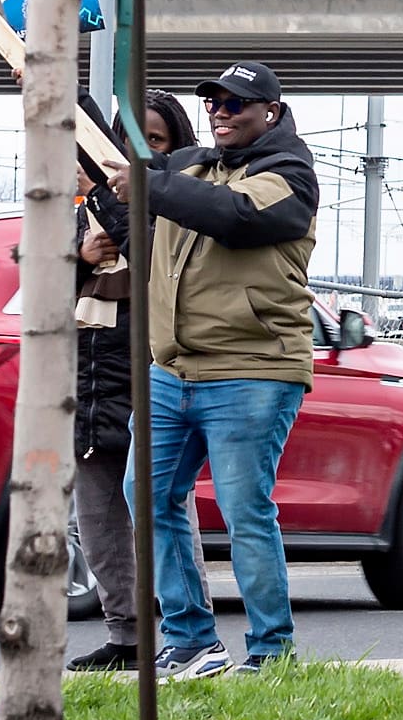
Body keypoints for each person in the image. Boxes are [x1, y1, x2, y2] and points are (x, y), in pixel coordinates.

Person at [132, 60, 321, 679]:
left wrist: (146, 180)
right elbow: (118, 162)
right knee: (148, 494)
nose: (220, 111)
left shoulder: (290, 176)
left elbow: (232, 216)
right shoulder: (191, 165)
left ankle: (271, 652)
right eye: (212, 101)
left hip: (253, 368)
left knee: (244, 510)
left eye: (236, 103)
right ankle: (191, 641)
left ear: (270, 111)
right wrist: (63, 95)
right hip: (171, 369)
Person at [65, 90, 197, 674]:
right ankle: (126, 637)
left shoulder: (178, 208)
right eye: (126, 141)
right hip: (91, 386)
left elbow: (144, 249)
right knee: (98, 524)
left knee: (159, 511)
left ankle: (183, 634)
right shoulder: (85, 213)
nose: (136, 154)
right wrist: (81, 259)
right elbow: (39, 292)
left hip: (152, 382)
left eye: (155, 142)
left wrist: (101, 189)